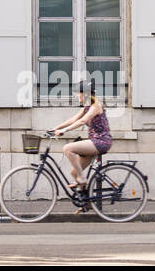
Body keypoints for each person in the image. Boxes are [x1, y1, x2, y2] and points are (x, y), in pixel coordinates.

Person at [48, 80, 112, 214]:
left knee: (67, 148)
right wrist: (56, 128)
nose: (78, 96)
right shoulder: (87, 106)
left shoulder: (96, 105)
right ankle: (87, 204)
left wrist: (64, 131)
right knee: (74, 172)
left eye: (79, 94)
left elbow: (82, 121)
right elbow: (73, 119)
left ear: (86, 94)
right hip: (94, 141)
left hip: (101, 141)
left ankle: (83, 180)